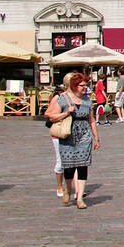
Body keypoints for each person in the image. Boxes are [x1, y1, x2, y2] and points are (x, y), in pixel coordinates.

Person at [46, 72, 100, 208]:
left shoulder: (87, 100)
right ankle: (67, 190)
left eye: (86, 85)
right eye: (82, 85)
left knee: (83, 165)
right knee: (69, 166)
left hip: (84, 135)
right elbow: (51, 117)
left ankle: (80, 198)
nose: (84, 88)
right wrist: (66, 113)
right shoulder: (63, 99)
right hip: (68, 134)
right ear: (74, 86)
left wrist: (96, 137)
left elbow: (91, 119)